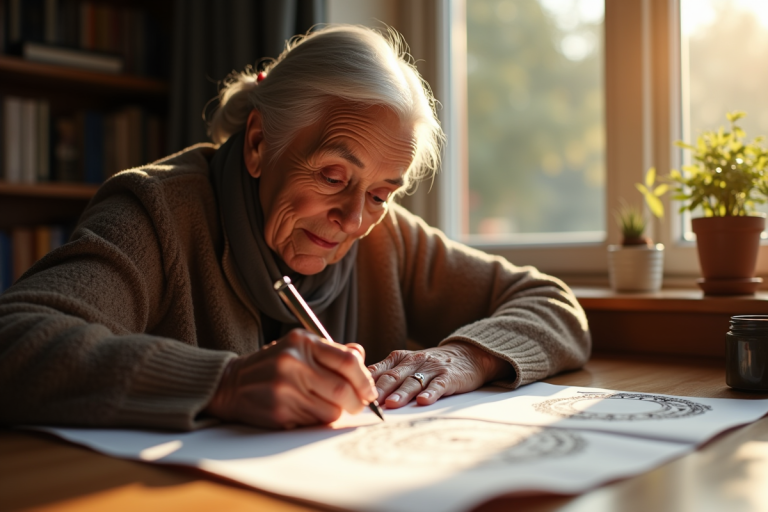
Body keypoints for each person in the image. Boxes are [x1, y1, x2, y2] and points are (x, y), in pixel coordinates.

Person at [0, 25, 590, 431]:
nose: (354, 220)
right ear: (260, 144)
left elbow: (551, 302)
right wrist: (225, 384)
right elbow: (15, 338)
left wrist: (464, 358)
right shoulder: (157, 212)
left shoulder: (388, 237)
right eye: (333, 176)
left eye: (381, 193)